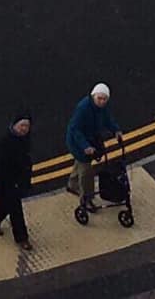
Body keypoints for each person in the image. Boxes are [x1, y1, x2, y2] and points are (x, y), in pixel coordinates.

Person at [0, 112, 34, 249]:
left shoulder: (25, 139)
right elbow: (5, 164)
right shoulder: (5, 141)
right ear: (14, 125)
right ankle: (22, 238)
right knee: (15, 209)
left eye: (27, 126)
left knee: (4, 205)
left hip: (18, 179)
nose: (24, 128)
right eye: (22, 125)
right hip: (6, 180)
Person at [67, 83, 121, 215]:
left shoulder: (102, 107)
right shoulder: (83, 108)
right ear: (93, 96)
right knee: (86, 172)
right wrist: (85, 146)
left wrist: (116, 130)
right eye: (99, 98)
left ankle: (72, 185)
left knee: (80, 165)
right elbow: (75, 129)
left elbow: (107, 119)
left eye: (104, 99)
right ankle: (87, 198)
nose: (102, 102)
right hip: (78, 143)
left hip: (90, 140)